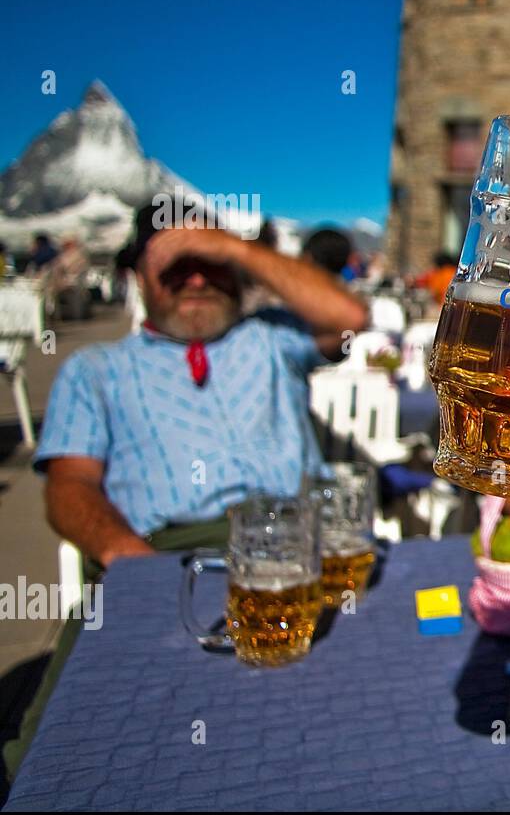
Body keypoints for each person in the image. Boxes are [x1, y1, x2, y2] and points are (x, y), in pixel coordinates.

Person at [3, 202, 368, 782]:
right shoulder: (96, 369)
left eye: (210, 265)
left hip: (299, 549)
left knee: (354, 721)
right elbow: (69, 486)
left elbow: (348, 314)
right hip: (164, 555)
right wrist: (132, 563)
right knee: (74, 755)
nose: (196, 279)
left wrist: (232, 247)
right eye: (176, 268)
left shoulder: (271, 338)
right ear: (139, 279)